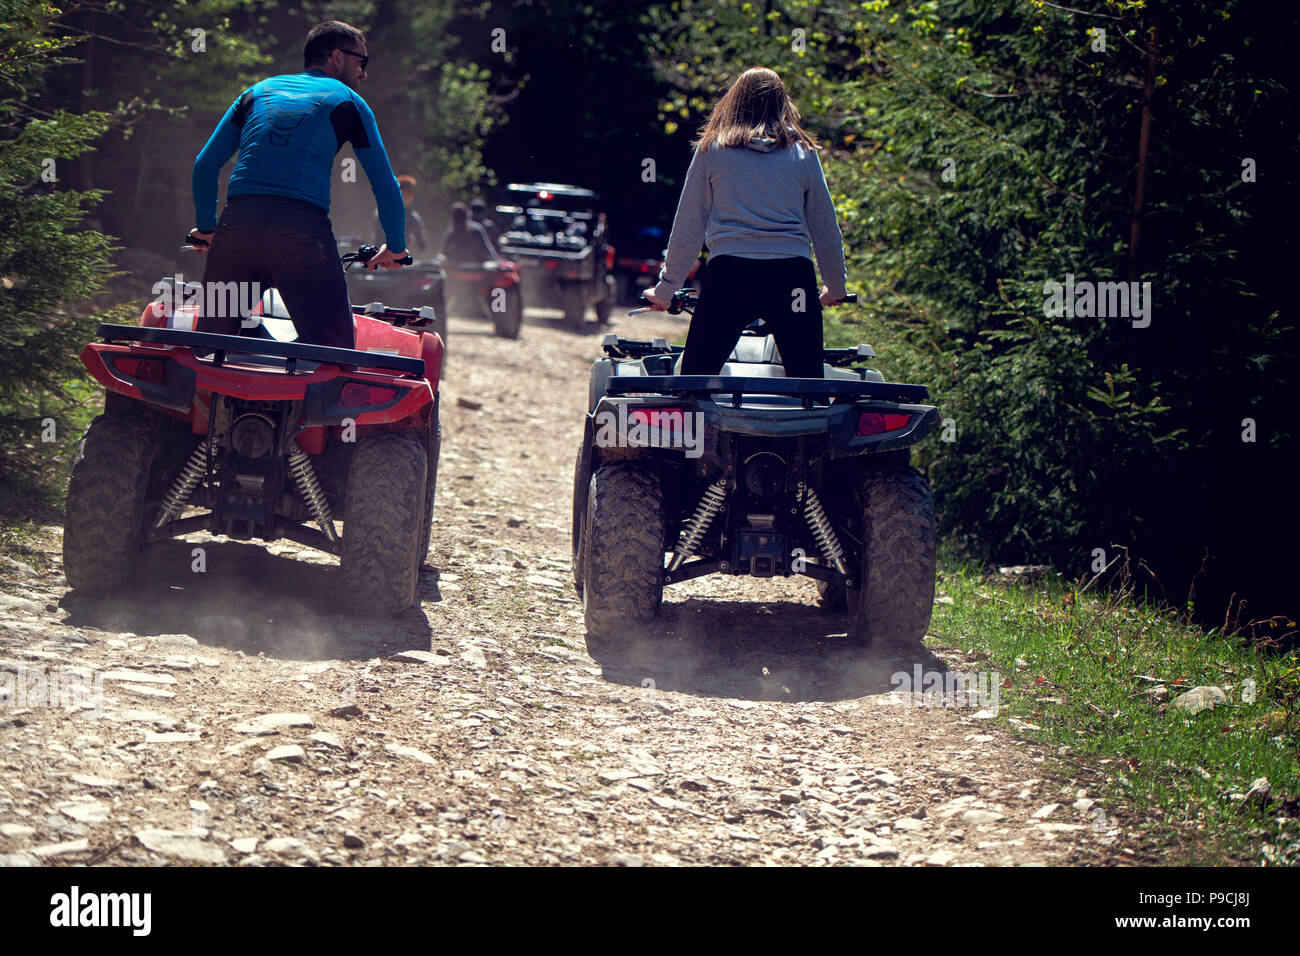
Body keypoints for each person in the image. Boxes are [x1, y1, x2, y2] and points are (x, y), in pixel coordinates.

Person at [188, 20, 408, 349]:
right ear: (337, 57)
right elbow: (386, 185)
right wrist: (394, 245)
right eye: (362, 62)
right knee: (331, 355)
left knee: (205, 349)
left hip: (236, 229)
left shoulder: (256, 92)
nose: (363, 73)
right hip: (300, 232)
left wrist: (207, 228)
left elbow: (205, 165)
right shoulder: (349, 102)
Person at [641, 67, 848, 378]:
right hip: (792, 278)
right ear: (783, 104)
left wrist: (666, 290)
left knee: (693, 381)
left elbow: (689, 223)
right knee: (809, 386)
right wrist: (835, 286)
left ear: (733, 102)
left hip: (731, 276)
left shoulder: (712, 149)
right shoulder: (802, 152)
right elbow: (824, 225)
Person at [373, 175, 428, 253]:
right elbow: (381, 239)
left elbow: (422, 246)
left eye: (409, 194)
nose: (407, 197)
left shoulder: (413, 218)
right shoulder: (382, 212)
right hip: (381, 256)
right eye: (405, 194)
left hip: (399, 260)